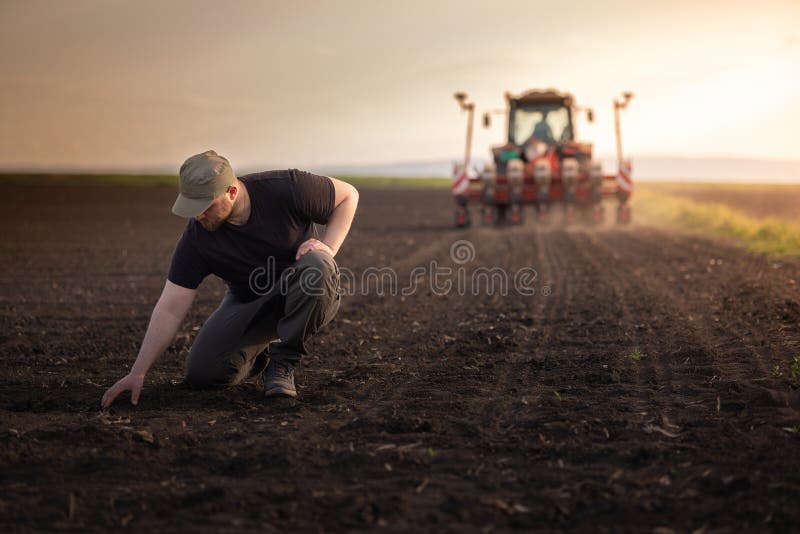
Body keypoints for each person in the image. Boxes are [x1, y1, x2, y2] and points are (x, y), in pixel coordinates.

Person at [101, 150, 358, 407]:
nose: (198, 216)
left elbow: (348, 195)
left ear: (231, 192)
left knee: (318, 264)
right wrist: (138, 371)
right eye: (192, 207)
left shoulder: (287, 188)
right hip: (251, 303)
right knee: (203, 374)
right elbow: (170, 308)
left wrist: (328, 247)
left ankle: (284, 362)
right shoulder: (197, 238)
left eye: (204, 207)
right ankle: (259, 353)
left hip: (307, 293)